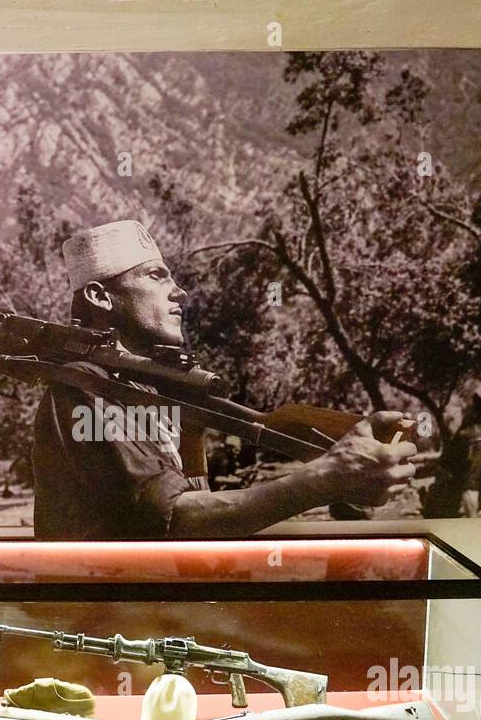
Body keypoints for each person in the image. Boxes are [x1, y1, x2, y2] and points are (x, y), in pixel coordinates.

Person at [31, 219, 416, 539]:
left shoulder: (142, 386)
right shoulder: (84, 384)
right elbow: (177, 520)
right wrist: (328, 477)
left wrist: (193, 432)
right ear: (100, 296)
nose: (178, 292)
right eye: (156, 276)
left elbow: (189, 509)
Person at [423, 379, 481, 518]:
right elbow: (470, 488)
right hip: (445, 511)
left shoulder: (474, 426)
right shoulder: (478, 439)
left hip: (446, 505)